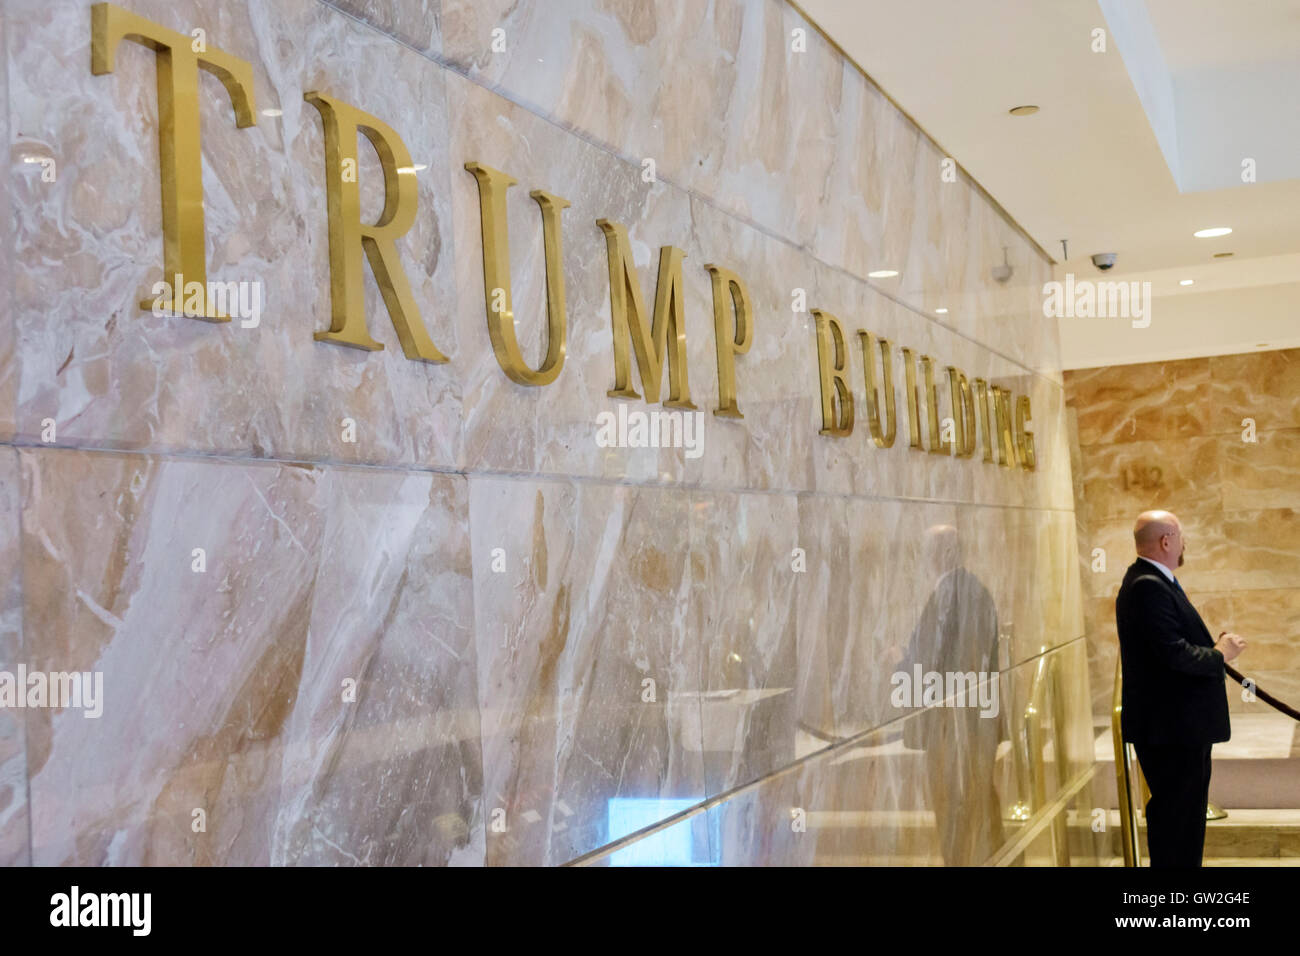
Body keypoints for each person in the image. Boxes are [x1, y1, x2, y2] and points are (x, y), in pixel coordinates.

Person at [1115, 510, 1246, 867]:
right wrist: (1220, 654)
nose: (1185, 543)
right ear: (1166, 540)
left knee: (1184, 822)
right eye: (1181, 536)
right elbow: (1173, 654)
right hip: (1171, 730)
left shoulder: (1155, 581)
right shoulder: (1146, 586)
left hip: (1178, 728)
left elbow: (1171, 645)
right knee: (1177, 823)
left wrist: (1212, 650)